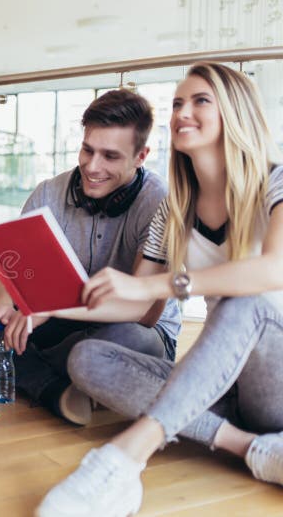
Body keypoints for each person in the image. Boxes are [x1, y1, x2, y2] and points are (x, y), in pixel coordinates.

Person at [36, 62, 283, 516]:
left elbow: (274, 270)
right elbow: (138, 303)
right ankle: (254, 448)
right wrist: (47, 308)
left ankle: (125, 458)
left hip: (278, 379)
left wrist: (165, 282)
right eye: (177, 103)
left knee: (244, 300)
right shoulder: (175, 209)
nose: (182, 112)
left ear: (235, 112)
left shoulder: (276, 182)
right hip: (227, 389)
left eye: (200, 101)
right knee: (87, 358)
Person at [0, 89, 181, 424]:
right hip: (57, 322)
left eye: (110, 156)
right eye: (87, 150)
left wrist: (45, 310)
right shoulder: (49, 192)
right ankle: (53, 385)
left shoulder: (159, 203)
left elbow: (143, 313)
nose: (92, 167)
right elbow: (10, 267)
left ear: (141, 156)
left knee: (124, 340)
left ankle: (7, 360)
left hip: (127, 327)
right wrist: (0, 303)